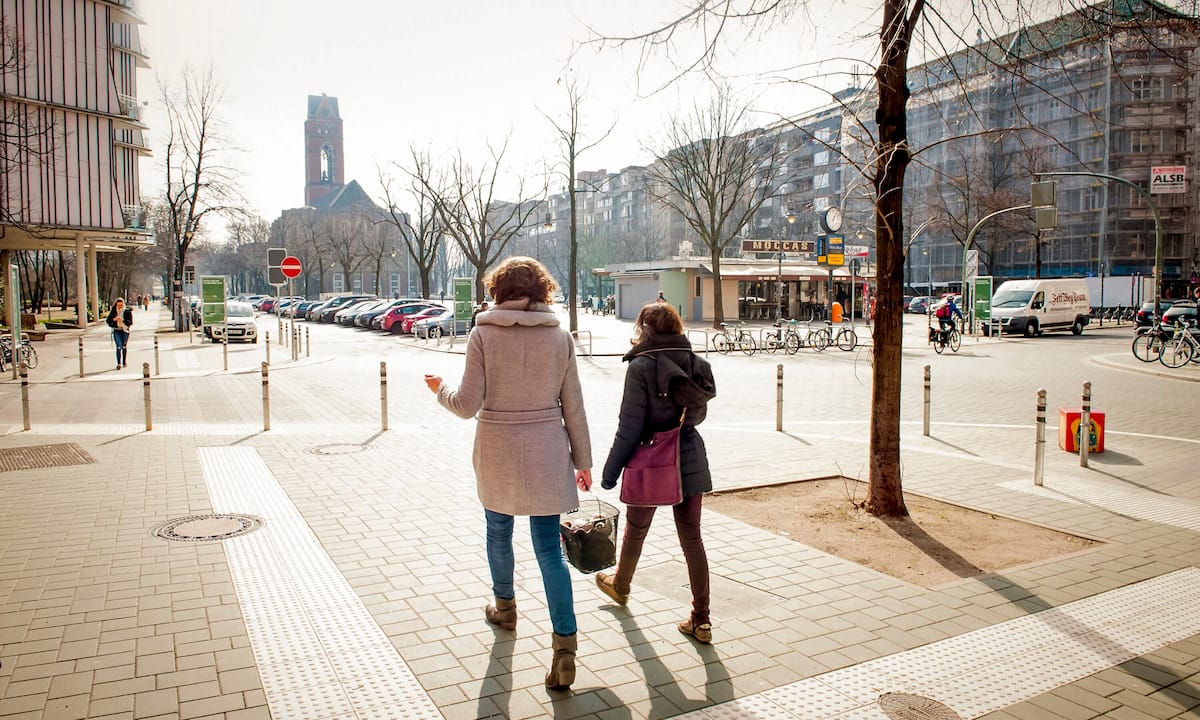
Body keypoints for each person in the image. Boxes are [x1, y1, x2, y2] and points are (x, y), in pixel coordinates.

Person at [423, 256, 592, 690]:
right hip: (548, 451)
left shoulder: (482, 334)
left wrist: (439, 388)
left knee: (498, 531)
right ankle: (565, 648)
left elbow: (466, 406)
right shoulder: (560, 336)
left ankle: (505, 609)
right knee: (549, 550)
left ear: (498, 290)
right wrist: (583, 462)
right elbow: (573, 404)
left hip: (497, 450)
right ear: (541, 290)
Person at [596, 302, 717, 643]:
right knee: (692, 539)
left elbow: (629, 426)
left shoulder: (641, 367)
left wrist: (610, 472)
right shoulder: (696, 363)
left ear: (646, 330)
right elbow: (697, 417)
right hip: (689, 454)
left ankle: (621, 585)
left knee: (636, 529)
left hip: (650, 458)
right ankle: (702, 619)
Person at [105, 298, 133, 369]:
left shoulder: (127, 311)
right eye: (118, 305)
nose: (119, 307)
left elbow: (130, 322)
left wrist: (123, 320)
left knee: (124, 346)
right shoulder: (114, 311)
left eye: (121, 305)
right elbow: (108, 321)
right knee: (118, 346)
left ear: (123, 304)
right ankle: (119, 363)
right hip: (117, 330)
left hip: (125, 330)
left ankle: (124, 362)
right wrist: (114, 320)